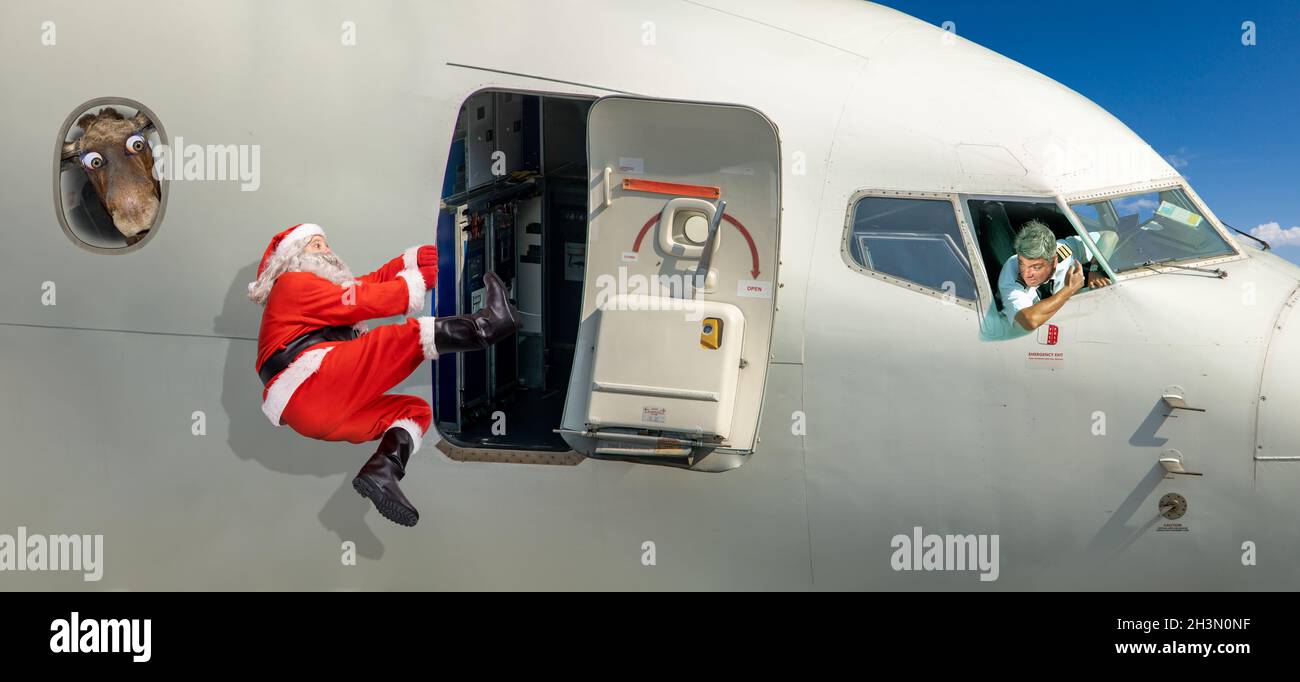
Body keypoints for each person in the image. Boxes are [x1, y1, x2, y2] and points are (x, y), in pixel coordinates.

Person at [247, 223, 521, 527]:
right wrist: (411, 284)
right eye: (316, 245)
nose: (327, 251)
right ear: (294, 257)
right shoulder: (292, 285)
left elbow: (363, 286)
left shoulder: (319, 291)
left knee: (414, 412)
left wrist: (409, 263)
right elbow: (362, 298)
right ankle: (488, 325)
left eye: (325, 244)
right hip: (307, 385)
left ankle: (383, 472)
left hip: (316, 415)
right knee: (404, 339)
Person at [997, 220, 1114, 332]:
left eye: (1036, 267)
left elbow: (1109, 236)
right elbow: (1030, 321)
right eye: (1021, 263)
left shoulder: (1064, 250)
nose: (1026, 273)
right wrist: (1069, 290)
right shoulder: (1011, 272)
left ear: (1054, 261)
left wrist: (1095, 269)